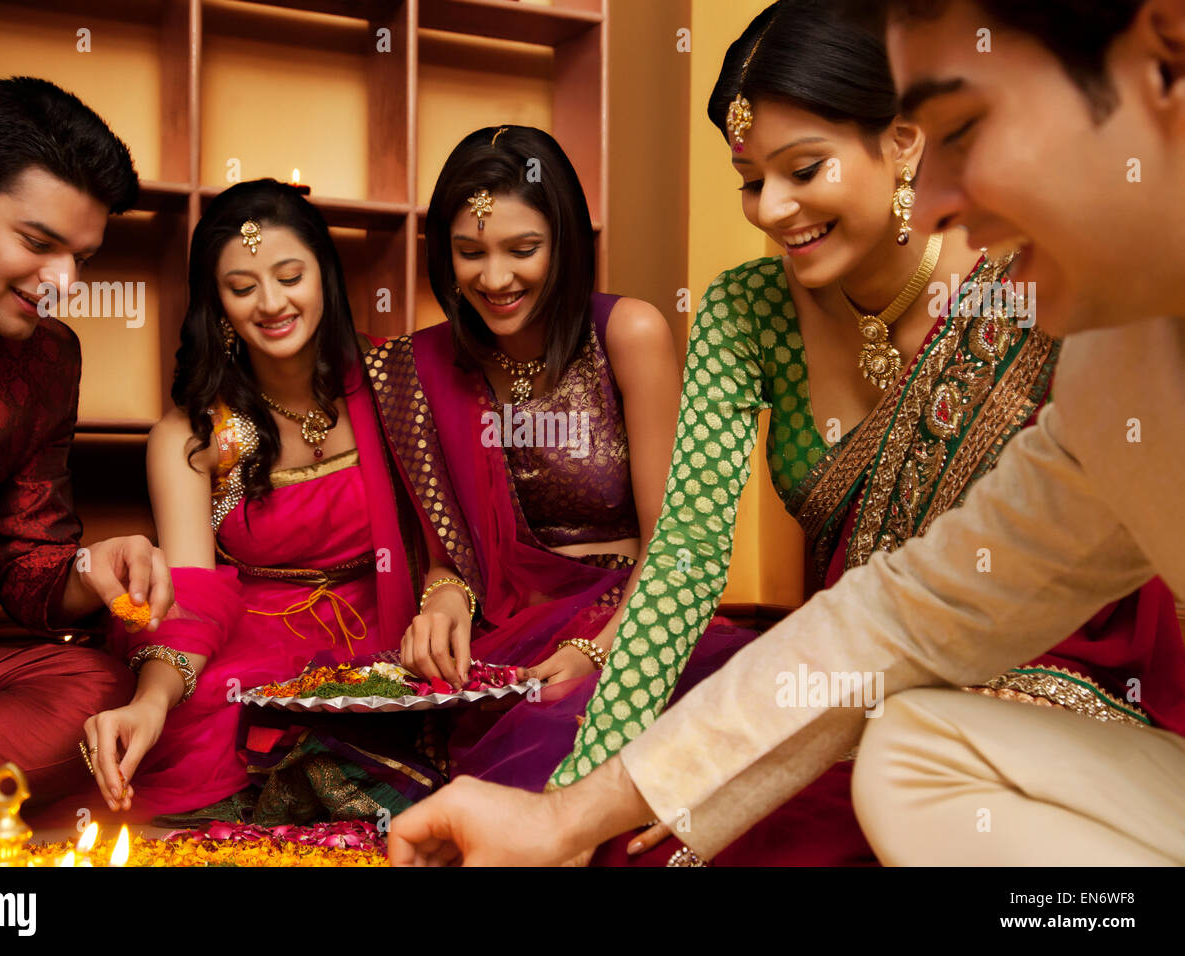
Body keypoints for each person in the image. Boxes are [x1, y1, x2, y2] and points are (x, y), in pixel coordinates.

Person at [386, 0, 1185, 866]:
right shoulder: (1117, 373)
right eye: (749, 177)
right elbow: (895, 610)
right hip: (899, 697)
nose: (768, 209)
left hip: (1064, 687)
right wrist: (570, 815)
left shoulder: (1062, 307)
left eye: (968, 126)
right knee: (885, 756)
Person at [366, 125, 755, 791]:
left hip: (635, 619)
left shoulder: (627, 334)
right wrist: (443, 597)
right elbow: (448, 556)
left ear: (566, 245)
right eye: (469, 253)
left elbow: (675, 545)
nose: (495, 278)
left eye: (523, 250)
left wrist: (598, 650)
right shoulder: (420, 368)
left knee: (595, 747)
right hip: (501, 637)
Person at [83, 179, 451, 824]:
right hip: (253, 641)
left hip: (392, 620)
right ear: (216, 304)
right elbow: (192, 590)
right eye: (243, 287)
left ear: (325, 278)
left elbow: (448, 529)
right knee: (196, 736)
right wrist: (152, 701)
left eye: (290, 276)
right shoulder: (193, 436)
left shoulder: (393, 385)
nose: (272, 303)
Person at [0, 76, 173, 842]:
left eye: (81, 257)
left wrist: (93, 568)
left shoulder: (44, 362)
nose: (62, 285)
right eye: (39, 244)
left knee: (92, 691)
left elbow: (29, 567)